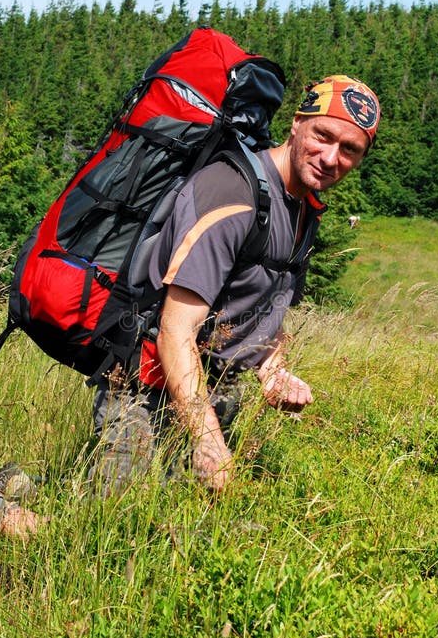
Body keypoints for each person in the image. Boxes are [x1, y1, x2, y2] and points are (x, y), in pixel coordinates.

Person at [91, 75, 380, 493]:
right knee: (107, 524)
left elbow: (265, 314)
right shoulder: (232, 194)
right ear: (297, 123)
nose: (331, 157)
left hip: (211, 395)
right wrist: (207, 439)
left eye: (349, 150)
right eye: (324, 135)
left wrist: (273, 371)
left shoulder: (304, 212)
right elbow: (175, 330)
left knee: (183, 533)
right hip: (142, 388)